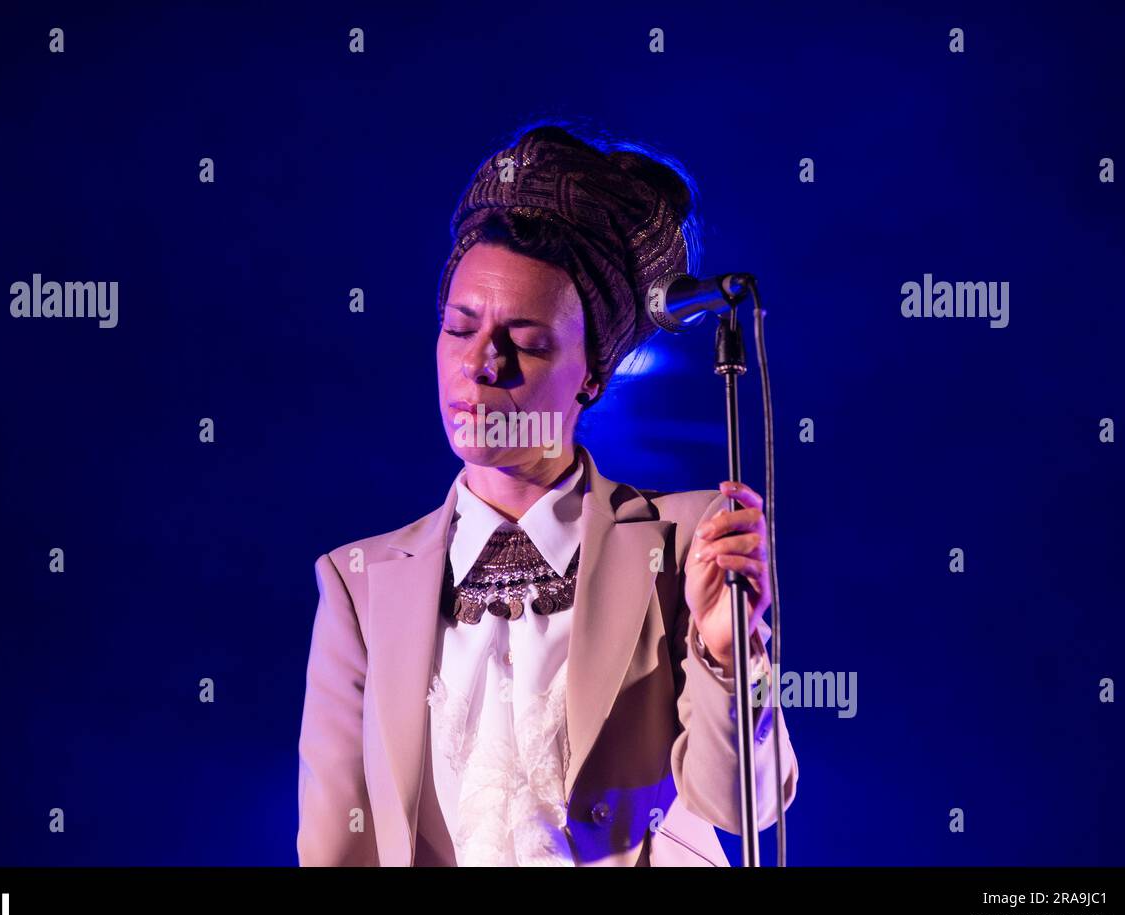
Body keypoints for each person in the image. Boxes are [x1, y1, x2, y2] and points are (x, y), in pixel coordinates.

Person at [296, 123, 797, 866]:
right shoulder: (359, 582)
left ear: (592, 374)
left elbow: (741, 805)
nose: (480, 365)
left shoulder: (686, 540)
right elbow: (338, 847)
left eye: (526, 342)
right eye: (459, 328)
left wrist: (730, 659)